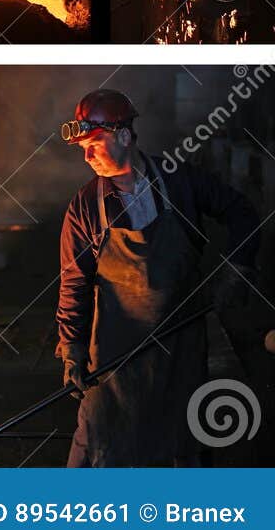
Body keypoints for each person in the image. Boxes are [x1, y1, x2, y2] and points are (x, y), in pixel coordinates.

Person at [57, 89, 261, 466]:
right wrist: (72, 348)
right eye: (82, 147)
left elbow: (243, 213)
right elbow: (75, 284)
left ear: (123, 135)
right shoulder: (85, 208)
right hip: (115, 359)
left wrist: (236, 270)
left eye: (94, 143)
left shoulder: (179, 182)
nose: (87, 156)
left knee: (179, 448)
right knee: (104, 450)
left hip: (180, 346)